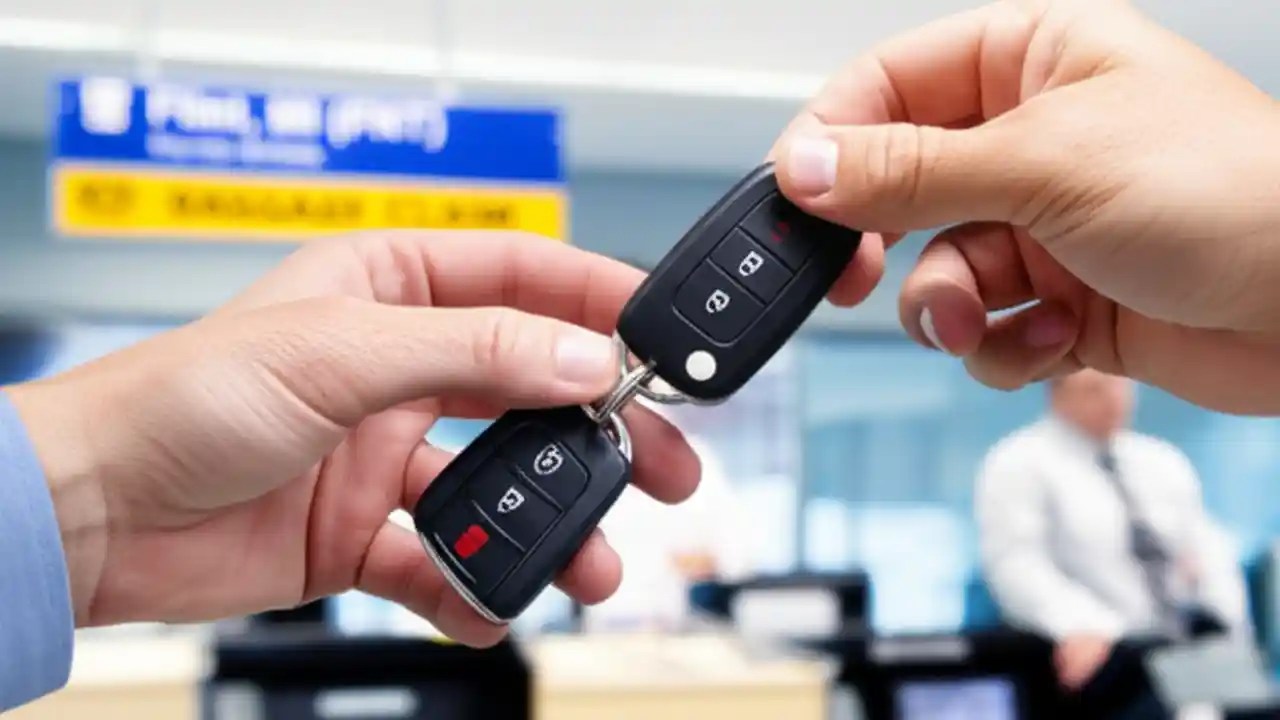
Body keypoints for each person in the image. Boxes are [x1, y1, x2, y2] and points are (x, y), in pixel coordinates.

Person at [4, 0, 1280, 710]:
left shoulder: (1161, 464)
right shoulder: (1026, 461)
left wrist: (79, 506)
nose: (1107, 381)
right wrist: (85, 506)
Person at [975, 368, 1250, 714]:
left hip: (1186, 648)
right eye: (1095, 389)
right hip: (1106, 649)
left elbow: (1208, 550)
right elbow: (1015, 564)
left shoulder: (1161, 462)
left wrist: (1221, 618)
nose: (1114, 398)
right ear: (1055, 390)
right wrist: (1080, 624)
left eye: (1122, 385)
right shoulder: (1017, 463)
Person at [585, 429, 750, 631]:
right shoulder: (596, 456)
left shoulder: (698, 461)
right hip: (604, 623)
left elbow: (736, 557)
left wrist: (695, 560)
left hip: (669, 624)